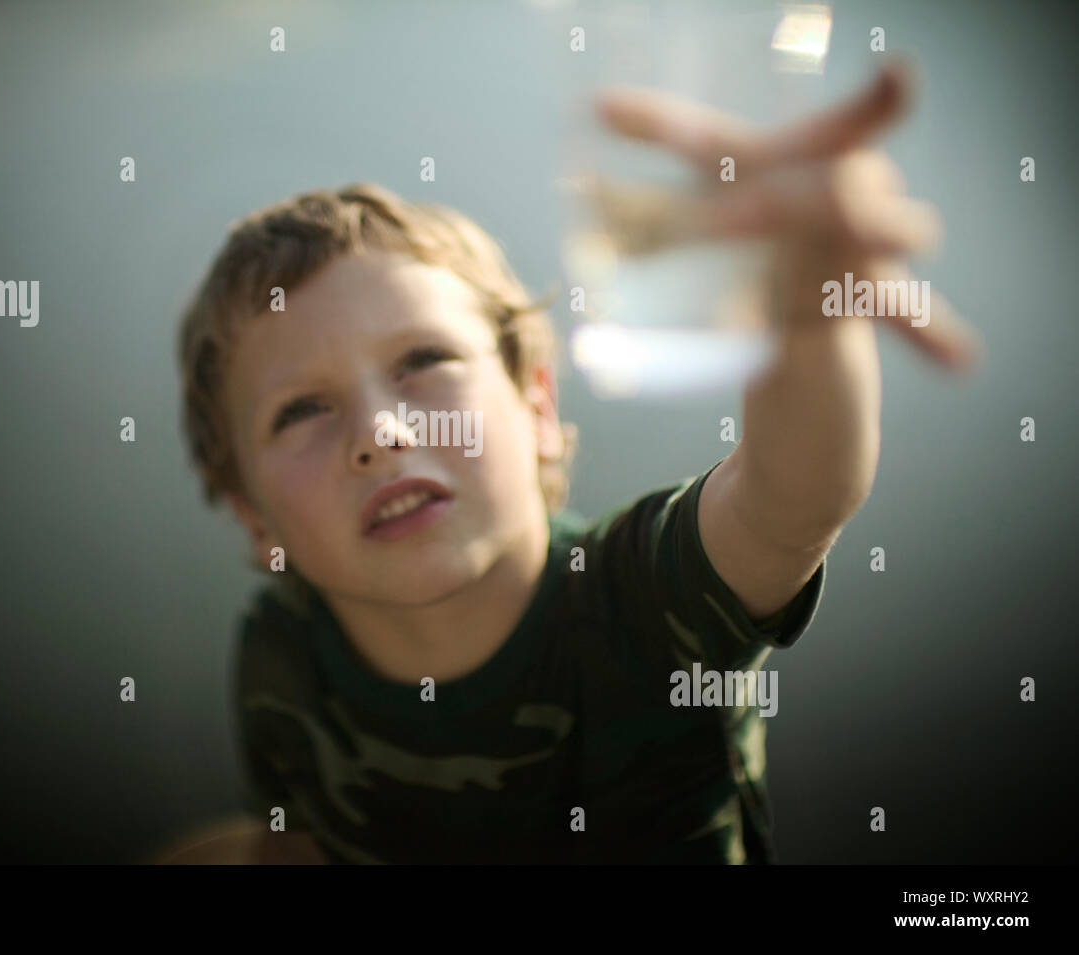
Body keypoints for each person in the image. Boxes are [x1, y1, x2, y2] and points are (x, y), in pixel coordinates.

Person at [162, 61, 982, 864]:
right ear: (255, 517)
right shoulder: (282, 648)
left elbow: (793, 497)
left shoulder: (643, 596)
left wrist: (809, 319)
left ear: (538, 409)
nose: (378, 433)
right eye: (301, 409)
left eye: (423, 360)